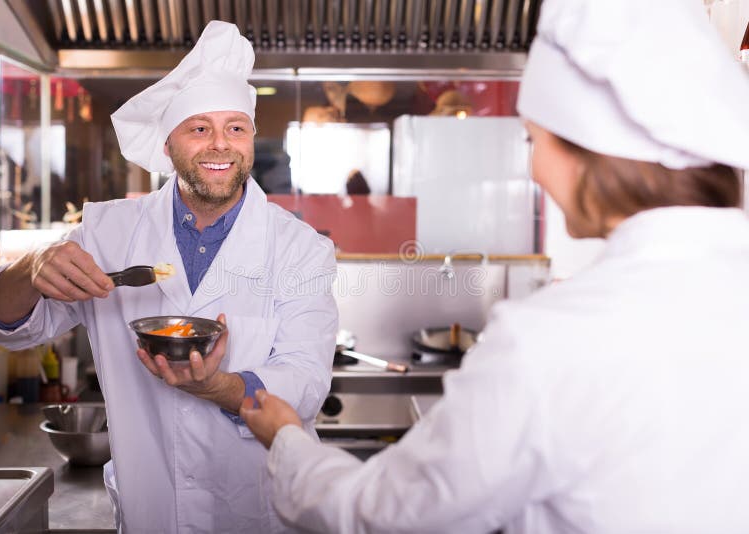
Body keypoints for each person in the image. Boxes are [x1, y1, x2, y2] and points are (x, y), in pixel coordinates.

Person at [239, 1, 749, 532]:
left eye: (534, 140)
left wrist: (286, 440)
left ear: (588, 153)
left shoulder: (553, 338)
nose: (534, 169)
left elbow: (388, 514)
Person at [0, 21, 338, 533]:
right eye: (199, 128)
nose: (220, 144)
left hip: (262, 512)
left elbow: (304, 383)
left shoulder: (300, 248)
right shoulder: (106, 232)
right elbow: (5, 326)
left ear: (252, 139)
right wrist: (31, 268)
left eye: (236, 128)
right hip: (153, 511)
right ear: (168, 145)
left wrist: (218, 387)